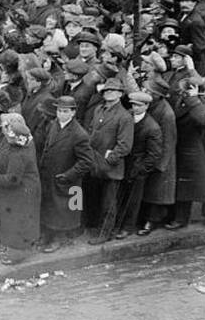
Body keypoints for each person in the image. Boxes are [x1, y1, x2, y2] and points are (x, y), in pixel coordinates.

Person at [37, 95, 95, 252]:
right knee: (49, 207)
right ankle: (47, 236)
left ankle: (59, 239)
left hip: (64, 179)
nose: (61, 114)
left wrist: (68, 175)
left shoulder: (79, 134)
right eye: (59, 111)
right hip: (49, 175)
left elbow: (86, 161)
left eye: (65, 111)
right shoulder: (53, 125)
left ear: (73, 112)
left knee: (61, 211)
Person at [82, 80, 134, 244]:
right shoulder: (99, 109)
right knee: (95, 198)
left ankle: (105, 233)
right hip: (94, 162)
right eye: (106, 90)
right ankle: (94, 227)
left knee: (108, 203)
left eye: (113, 90)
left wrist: (109, 159)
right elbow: (91, 130)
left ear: (120, 94)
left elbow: (125, 146)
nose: (109, 93)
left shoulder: (124, 117)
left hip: (111, 167)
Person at [0, 112, 42, 263]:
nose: (3, 129)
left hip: (20, 192)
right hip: (18, 190)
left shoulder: (19, 152)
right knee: (14, 220)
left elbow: (13, 179)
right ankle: (10, 247)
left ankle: (14, 253)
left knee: (16, 221)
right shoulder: (16, 140)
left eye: (6, 127)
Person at [113, 91, 163, 239]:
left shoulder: (152, 127)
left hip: (137, 167)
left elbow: (154, 154)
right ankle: (117, 224)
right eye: (133, 104)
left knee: (132, 200)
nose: (135, 108)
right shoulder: (127, 116)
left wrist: (141, 169)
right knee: (120, 196)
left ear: (147, 106)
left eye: (139, 105)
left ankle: (127, 227)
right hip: (123, 163)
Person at [167, 74, 205, 228]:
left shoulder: (203, 103)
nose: (183, 91)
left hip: (196, 149)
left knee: (200, 186)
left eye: (189, 88)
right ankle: (180, 218)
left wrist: (193, 99)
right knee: (184, 185)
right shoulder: (183, 99)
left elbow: (204, 120)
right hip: (182, 147)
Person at [138, 79, 178, 235]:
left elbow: (169, 141)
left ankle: (152, 221)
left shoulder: (167, 114)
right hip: (150, 154)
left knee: (157, 192)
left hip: (161, 159)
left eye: (148, 91)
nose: (145, 92)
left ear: (157, 95)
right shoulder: (151, 106)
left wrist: (161, 164)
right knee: (150, 191)